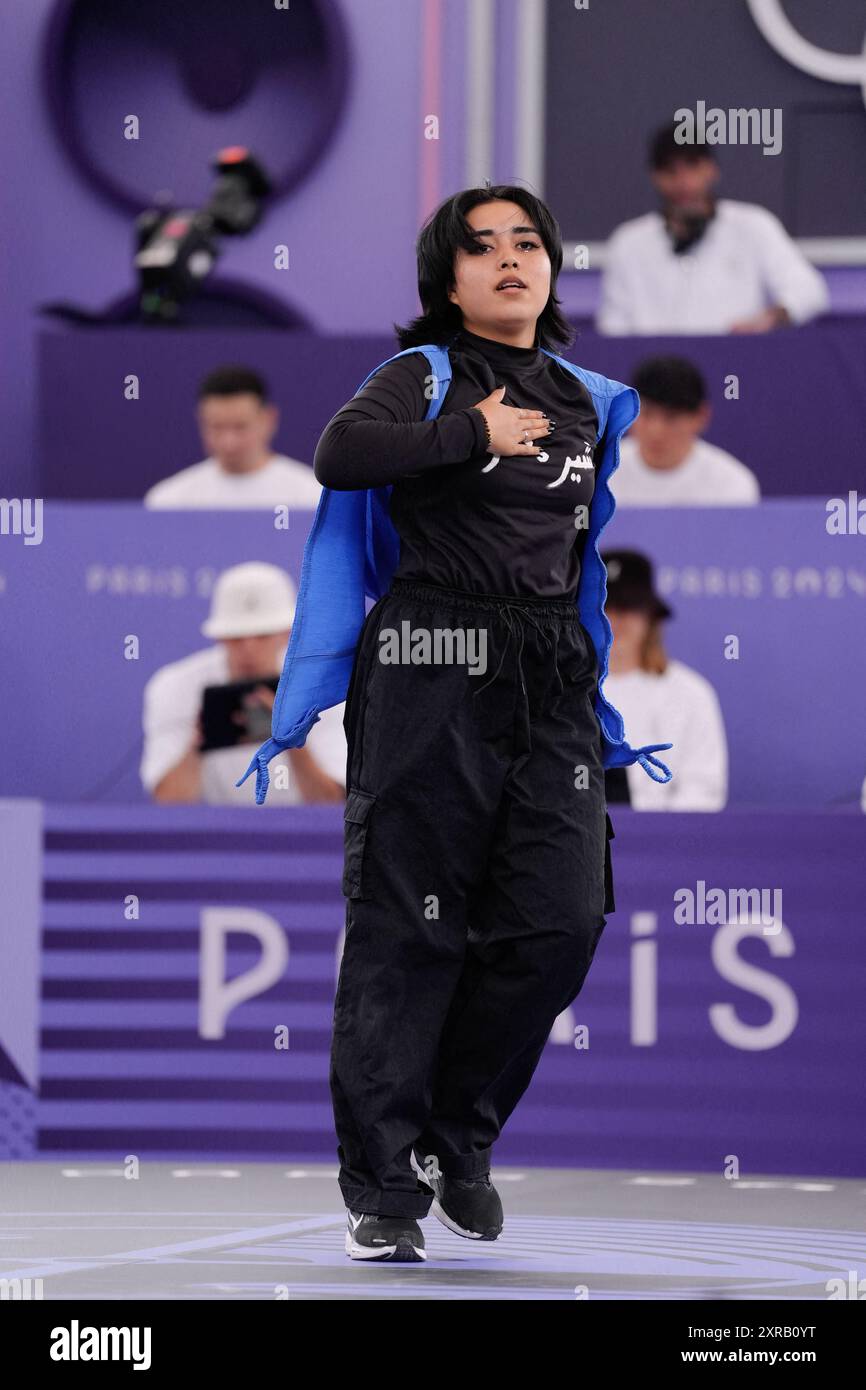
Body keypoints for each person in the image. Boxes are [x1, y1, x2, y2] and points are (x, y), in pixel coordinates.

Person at [246, 184, 679, 1262]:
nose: (507, 261)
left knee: (561, 917)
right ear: (449, 280)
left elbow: (576, 560)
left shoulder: (585, 399)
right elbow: (341, 457)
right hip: (430, 657)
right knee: (407, 927)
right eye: (480, 248)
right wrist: (466, 433)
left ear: (549, 265)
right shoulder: (420, 376)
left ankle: (453, 1136)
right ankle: (385, 1187)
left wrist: (579, 675)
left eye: (526, 242)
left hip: (547, 671)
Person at [596, 122, 829, 336]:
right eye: (670, 171)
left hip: (737, 366)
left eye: (692, 166)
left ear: (711, 169)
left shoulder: (753, 226)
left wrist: (772, 317)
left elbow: (809, 291)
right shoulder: (628, 243)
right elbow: (613, 327)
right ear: (655, 177)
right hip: (655, 374)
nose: (683, 182)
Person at [140, 563, 346, 804]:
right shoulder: (175, 687)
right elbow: (169, 801)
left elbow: (329, 805)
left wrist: (292, 739)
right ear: (219, 636)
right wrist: (199, 741)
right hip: (216, 835)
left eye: (262, 635)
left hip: (301, 835)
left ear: (288, 632)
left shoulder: (326, 687)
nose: (249, 650)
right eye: (236, 637)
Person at [602, 550, 728, 810]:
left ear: (651, 616)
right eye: (605, 605)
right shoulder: (559, 691)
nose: (617, 618)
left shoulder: (691, 693)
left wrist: (652, 837)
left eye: (629, 606)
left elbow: (703, 791)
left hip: (664, 845)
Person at [143, 366, 322, 509]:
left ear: (269, 419)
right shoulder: (168, 500)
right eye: (217, 427)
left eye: (240, 427)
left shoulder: (311, 497)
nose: (229, 442)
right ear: (201, 421)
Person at [615, 356, 760, 506]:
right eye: (646, 414)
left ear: (701, 417)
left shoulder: (731, 484)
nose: (656, 430)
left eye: (671, 417)